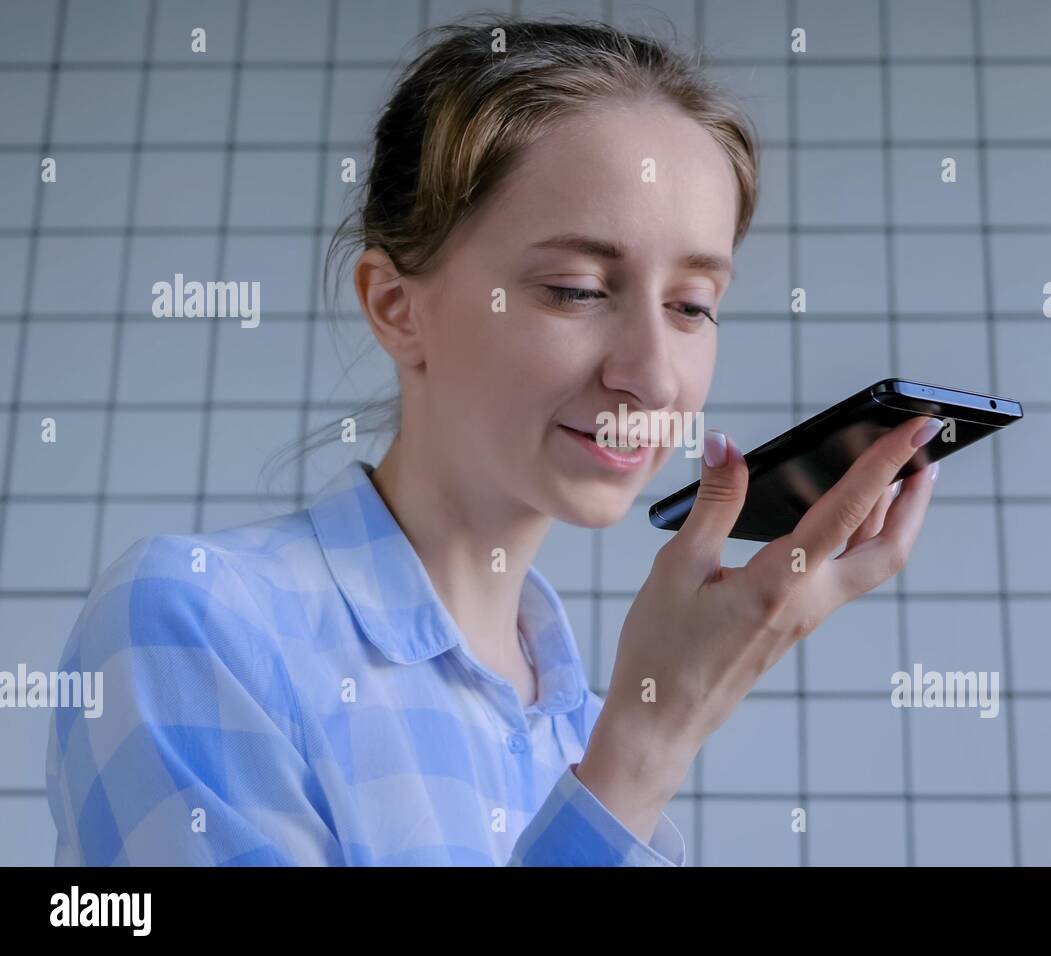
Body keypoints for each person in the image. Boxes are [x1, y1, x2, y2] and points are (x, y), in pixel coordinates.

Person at [46, 15, 939, 866]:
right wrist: (645, 751)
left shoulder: (581, 723)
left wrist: (628, 745)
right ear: (397, 307)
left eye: (693, 306)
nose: (657, 377)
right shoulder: (191, 622)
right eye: (579, 289)